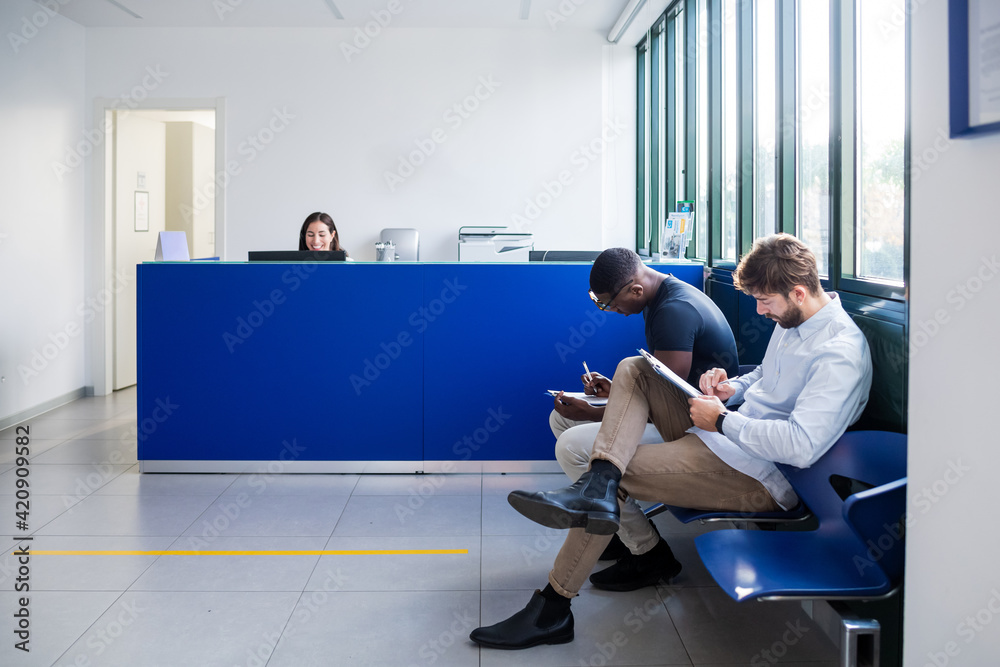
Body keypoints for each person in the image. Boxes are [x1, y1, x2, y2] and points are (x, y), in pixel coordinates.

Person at [470, 233, 872, 650]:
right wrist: (731, 386)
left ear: (800, 291)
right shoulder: (795, 320)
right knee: (636, 368)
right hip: (722, 442)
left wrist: (722, 422)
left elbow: (802, 445)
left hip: (757, 476)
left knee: (604, 476)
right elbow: (764, 378)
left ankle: (553, 608)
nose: (759, 310)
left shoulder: (838, 353)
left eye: (764, 301)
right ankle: (598, 487)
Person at [549, 247, 739, 583]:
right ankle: (616, 527)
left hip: (699, 431)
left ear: (635, 290)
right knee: (562, 420)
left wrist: (593, 413)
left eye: (611, 304)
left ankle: (648, 552)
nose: (614, 312)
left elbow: (667, 403)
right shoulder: (663, 298)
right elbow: (662, 386)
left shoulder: (673, 311)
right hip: (680, 412)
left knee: (571, 446)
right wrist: (614, 391)